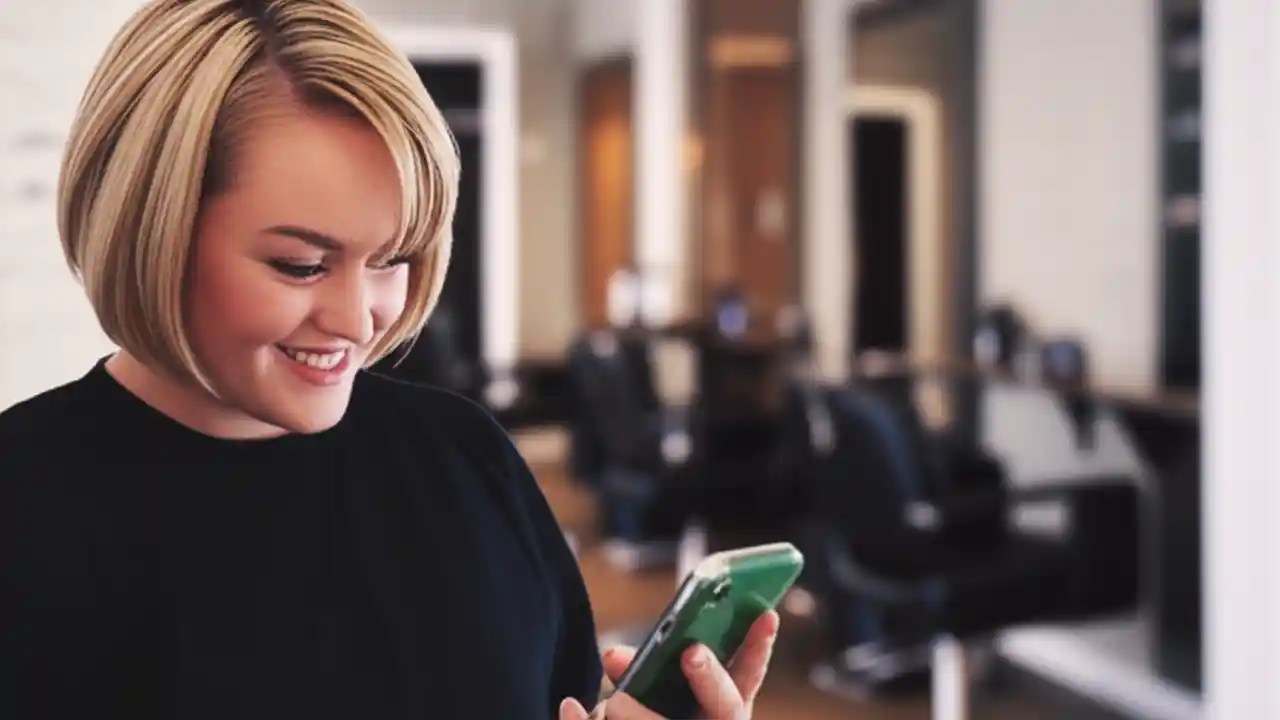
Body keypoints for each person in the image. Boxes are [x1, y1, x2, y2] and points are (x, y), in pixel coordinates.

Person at [0, 1, 780, 718]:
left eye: (394, 257)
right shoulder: (26, 507)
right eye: (301, 265)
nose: (358, 318)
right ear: (150, 229)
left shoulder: (466, 460)